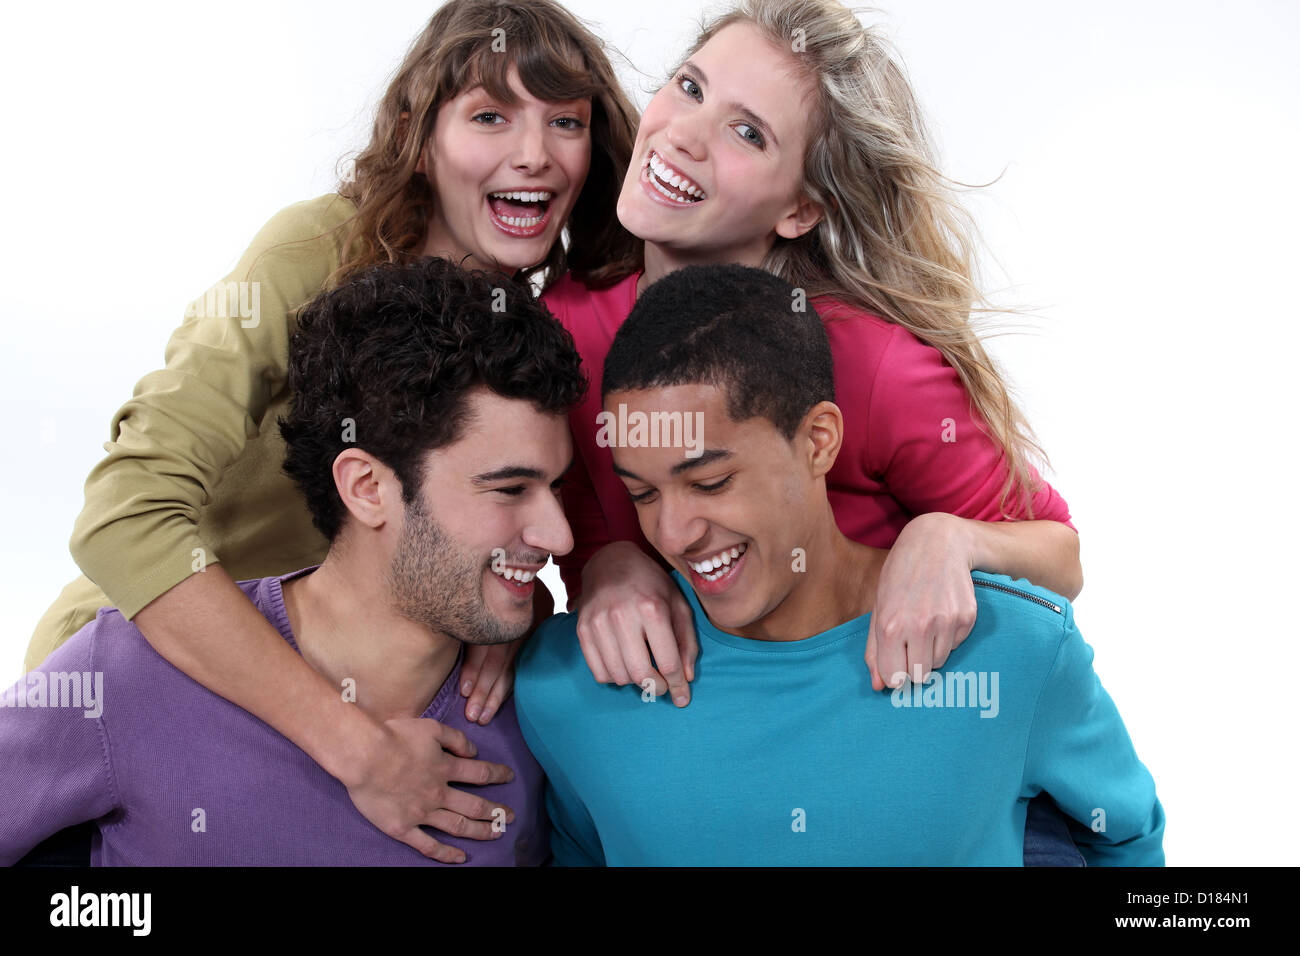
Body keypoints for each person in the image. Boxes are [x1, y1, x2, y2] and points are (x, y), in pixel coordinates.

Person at [24, 0, 639, 862]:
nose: (534, 152)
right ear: (416, 135)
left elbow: (457, 524)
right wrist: (354, 746)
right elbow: (125, 512)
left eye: (565, 122)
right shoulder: (310, 254)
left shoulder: (537, 331)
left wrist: (511, 607)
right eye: (491, 115)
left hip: (357, 695)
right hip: (175, 675)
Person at [515, 264, 1165, 866]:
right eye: (643, 494)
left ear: (819, 441)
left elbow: (1126, 842)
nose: (675, 533)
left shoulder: (1015, 649)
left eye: (711, 482)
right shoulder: (569, 688)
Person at [542, 0, 1082, 712]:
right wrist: (607, 567)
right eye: (690, 87)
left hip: (879, 715)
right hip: (689, 737)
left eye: (747, 132)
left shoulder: (871, 364)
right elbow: (572, 531)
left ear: (800, 210)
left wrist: (949, 538)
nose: (684, 136)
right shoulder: (565, 330)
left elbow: (1058, 559)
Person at [2, 258, 581, 866]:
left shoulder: (543, 708)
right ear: (366, 488)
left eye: (558, 487)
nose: (559, 537)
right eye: (510, 489)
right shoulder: (126, 675)